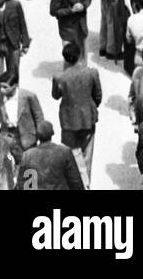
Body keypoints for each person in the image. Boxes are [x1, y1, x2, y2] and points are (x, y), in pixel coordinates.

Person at [51, 41, 100, 186]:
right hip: (88, 118)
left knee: (70, 154)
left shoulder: (60, 77)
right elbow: (98, 96)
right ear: (79, 55)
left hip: (68, 120)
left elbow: (55, 95)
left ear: (65, 58)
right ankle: (86, 184)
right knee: (87, 154)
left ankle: (73, 184)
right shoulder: (91, 73)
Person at [18, 120, 84, 191]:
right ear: (52, 133)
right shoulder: (64, 152)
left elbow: (21, 184)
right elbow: (75, 181)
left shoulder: (27, 155)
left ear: (37, 135)